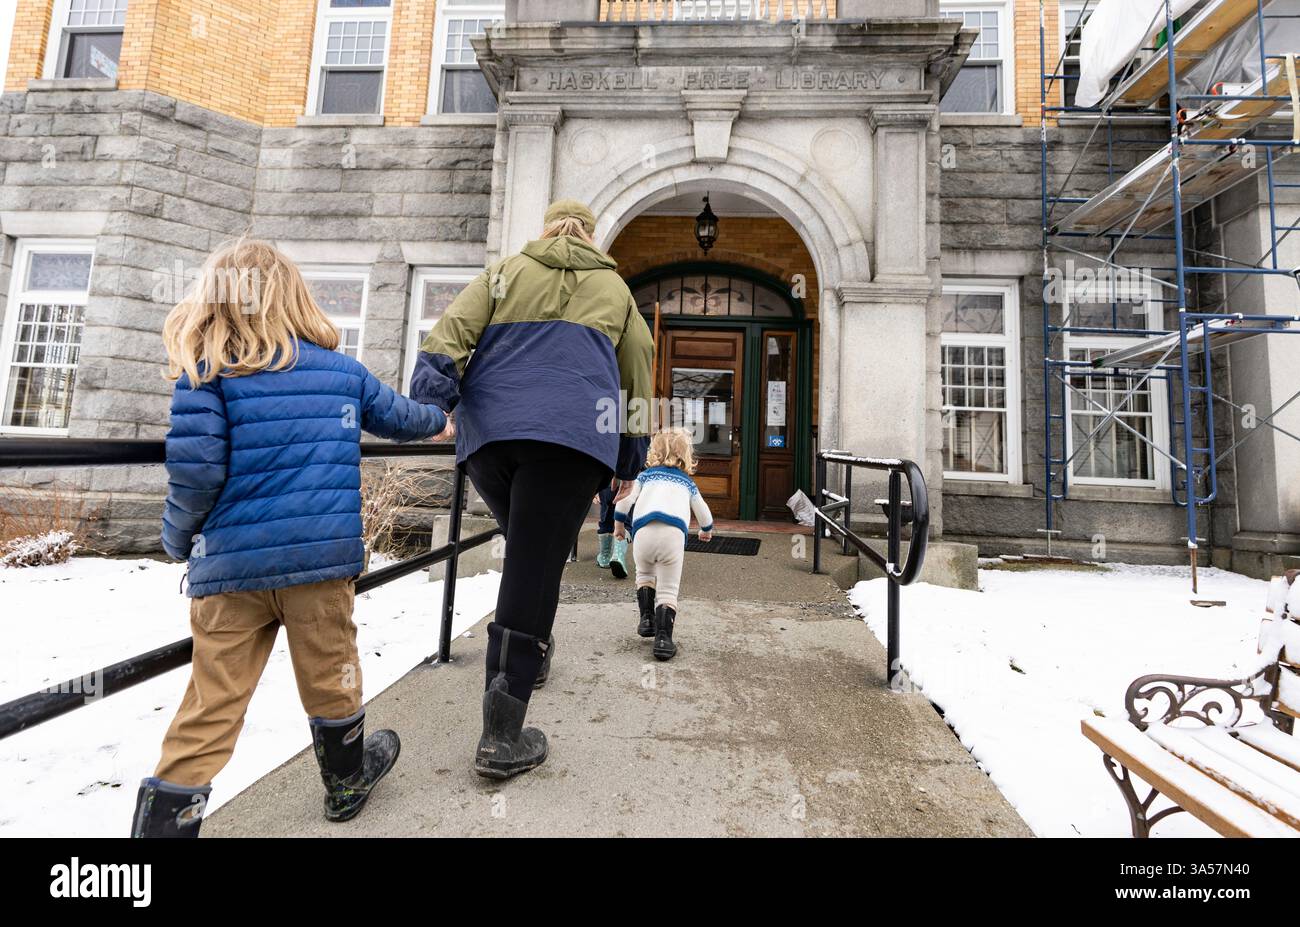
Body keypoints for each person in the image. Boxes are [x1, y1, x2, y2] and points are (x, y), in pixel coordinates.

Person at [131, 239, 450, 838]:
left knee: (211, 705)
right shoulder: (339, 371)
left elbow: (196, 473)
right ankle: (347, 782)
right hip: (318, 565)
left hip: (233, 570)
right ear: (295, 297)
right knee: (334, 674)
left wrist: (179, 540)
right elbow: (403, 417)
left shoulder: (205, 372)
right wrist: (443, 419)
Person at [411, 198, 653, 780]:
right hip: (571, 439)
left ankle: (531, 654)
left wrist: (430, 405)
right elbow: (639, 366)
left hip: (490, 437)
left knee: (529, 552)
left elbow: (449, 334)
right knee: (533, 568)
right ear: (592, 238)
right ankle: (501, 735)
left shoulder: (503, 272)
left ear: (544, 230)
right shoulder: (615, 291)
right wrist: (630, 454)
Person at [613, 429, 713, 661]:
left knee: (644, 574)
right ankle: (663, 641)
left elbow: (625, 501)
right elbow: (704, 515)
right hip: (673, 535)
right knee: (668, 589)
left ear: (653, 452)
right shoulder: (687, 483)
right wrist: (706, 530)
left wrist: (619, 526)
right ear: (687, 455)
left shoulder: (644, 477)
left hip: (643, 533)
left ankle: (646, 619)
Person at [594, 482, 630, 578]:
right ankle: (618, 556)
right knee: (625, 515)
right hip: (629, 479)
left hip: (609, 478)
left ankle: (604, 557)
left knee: (607, 512)